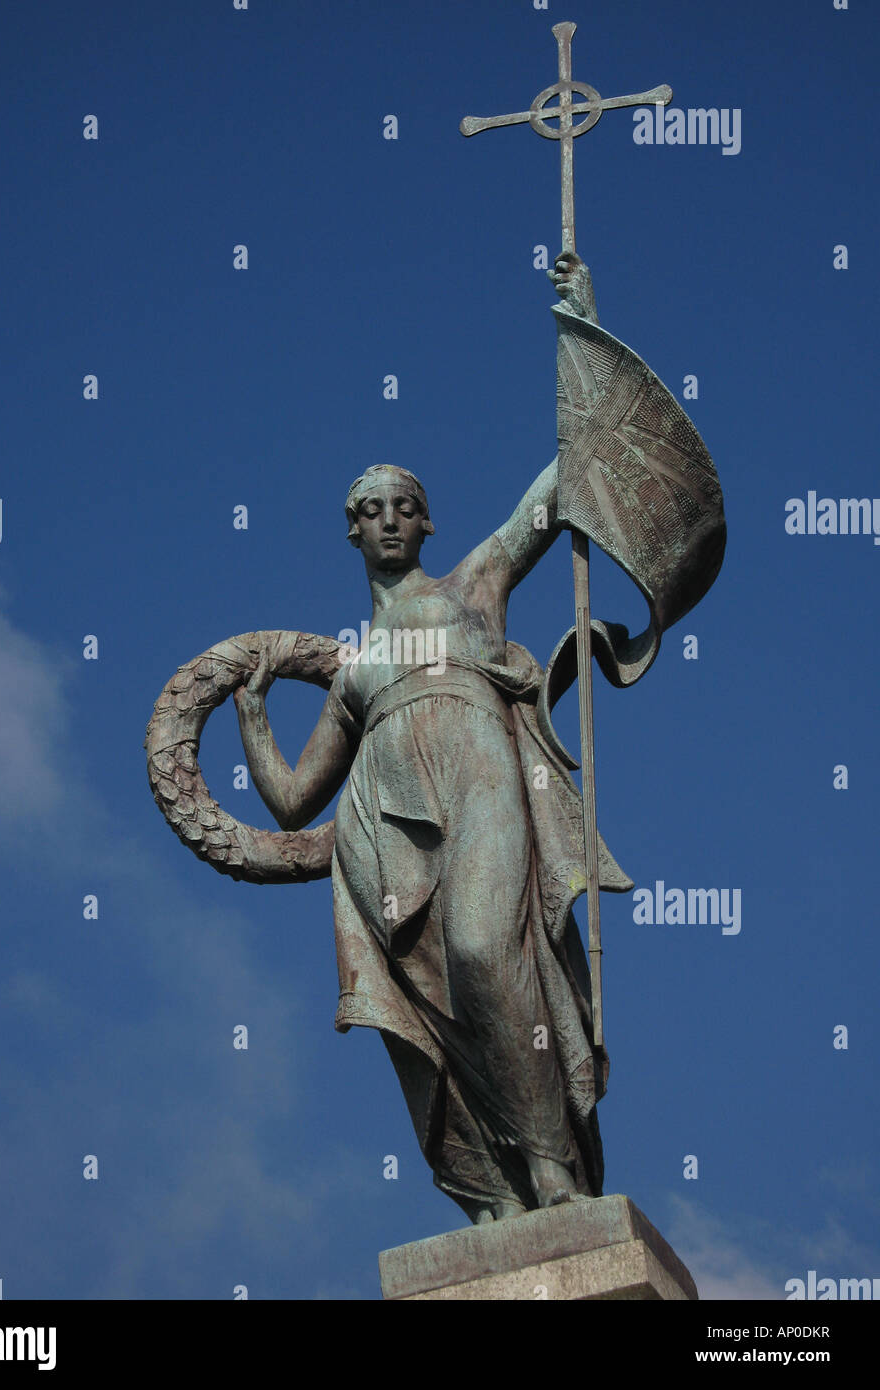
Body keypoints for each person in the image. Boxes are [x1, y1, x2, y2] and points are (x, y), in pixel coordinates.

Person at [234, 256, 632, 1224]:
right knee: (437, 1003)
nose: (387, 522)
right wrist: (250, 722)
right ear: (353, 534)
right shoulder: (356, 672)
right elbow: (293, 803)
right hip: (387, 837)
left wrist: (581, 324)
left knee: (486, 950)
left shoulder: (473, 586)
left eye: (402, 507)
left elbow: (563, 484)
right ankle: (494, 1186)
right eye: (369, 512)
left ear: (425, 522)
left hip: (483, 774)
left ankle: (555, 1169)